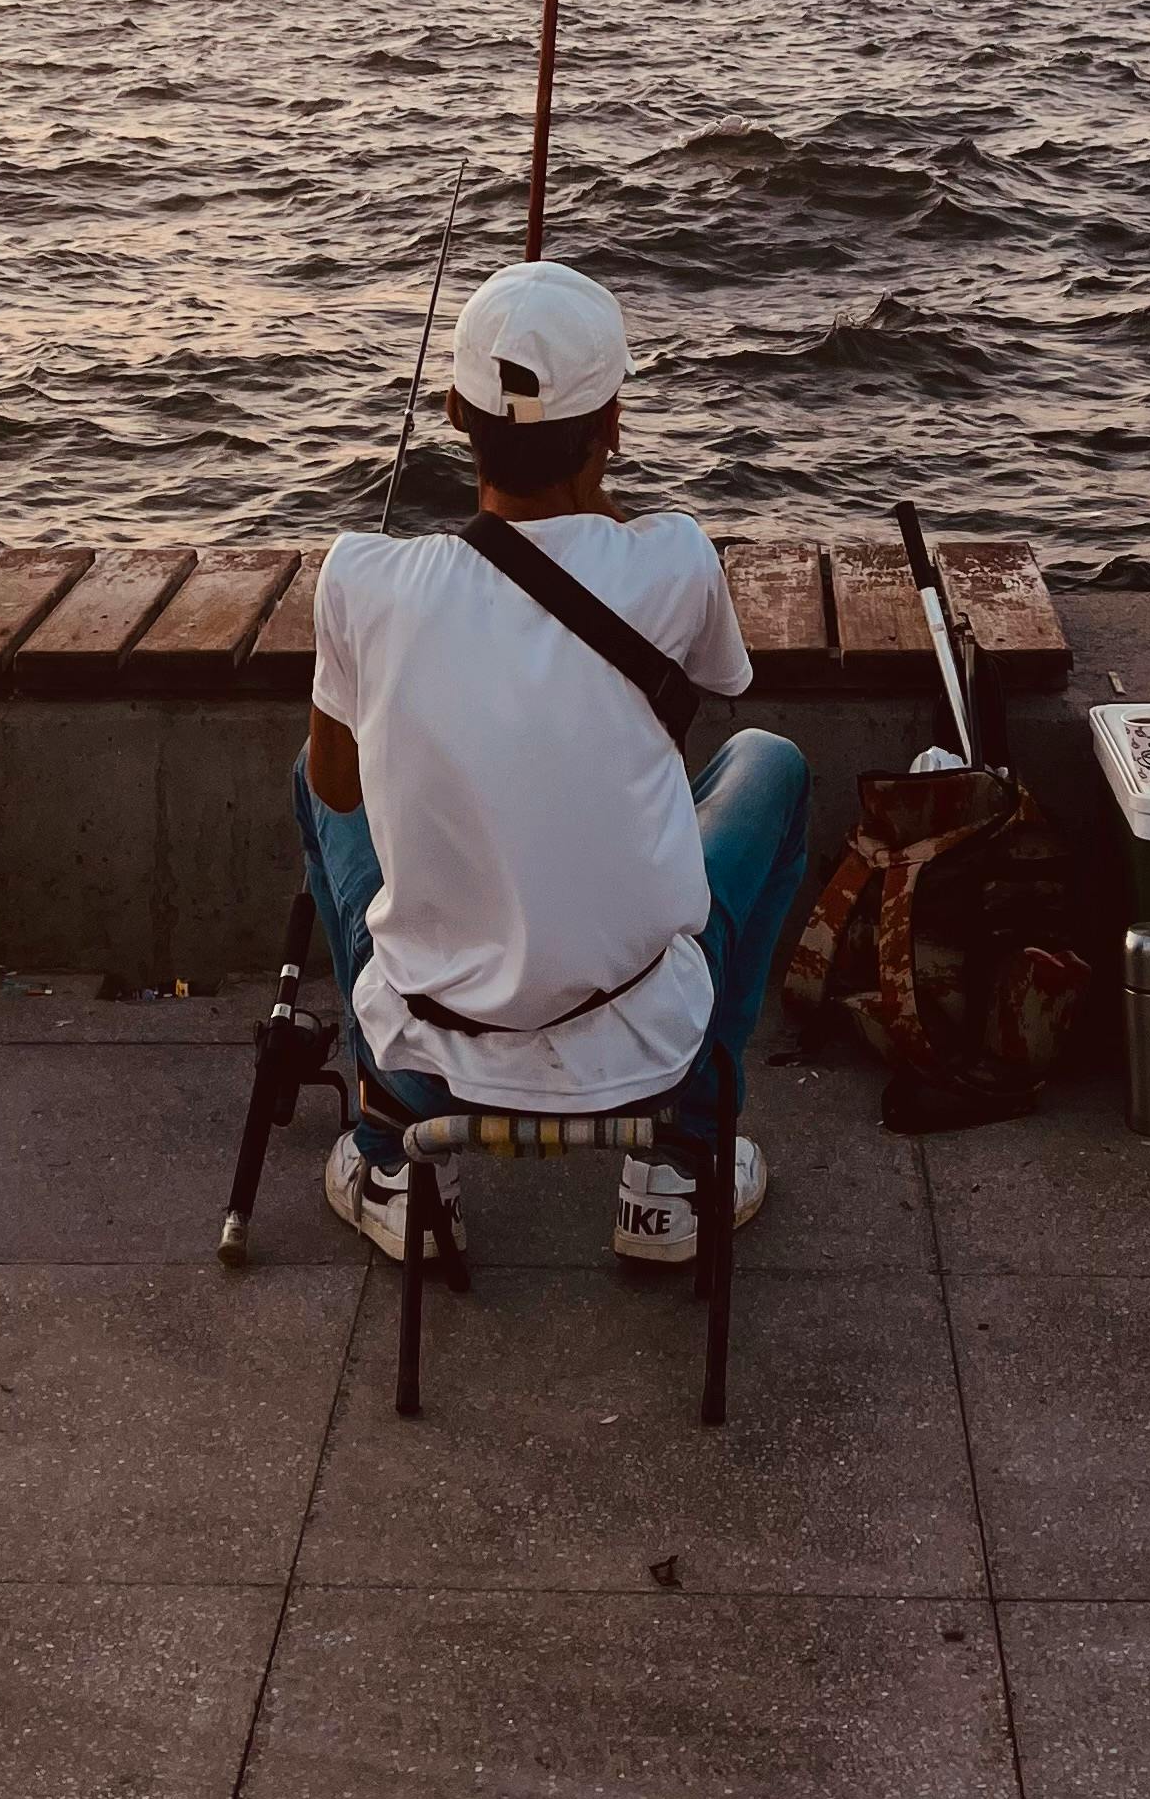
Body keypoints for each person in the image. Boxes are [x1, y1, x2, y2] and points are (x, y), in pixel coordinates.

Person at [296, 255, 812, 1268]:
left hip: (430, 1043)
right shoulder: (676, 561)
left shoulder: (361, 579)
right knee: (769, 764)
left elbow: (336, 791)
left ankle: (393, 1161)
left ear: (452, 408)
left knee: (313, 775)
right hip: (638, 1038)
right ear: (612, 426)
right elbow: (678, 729)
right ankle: (677, 1168)